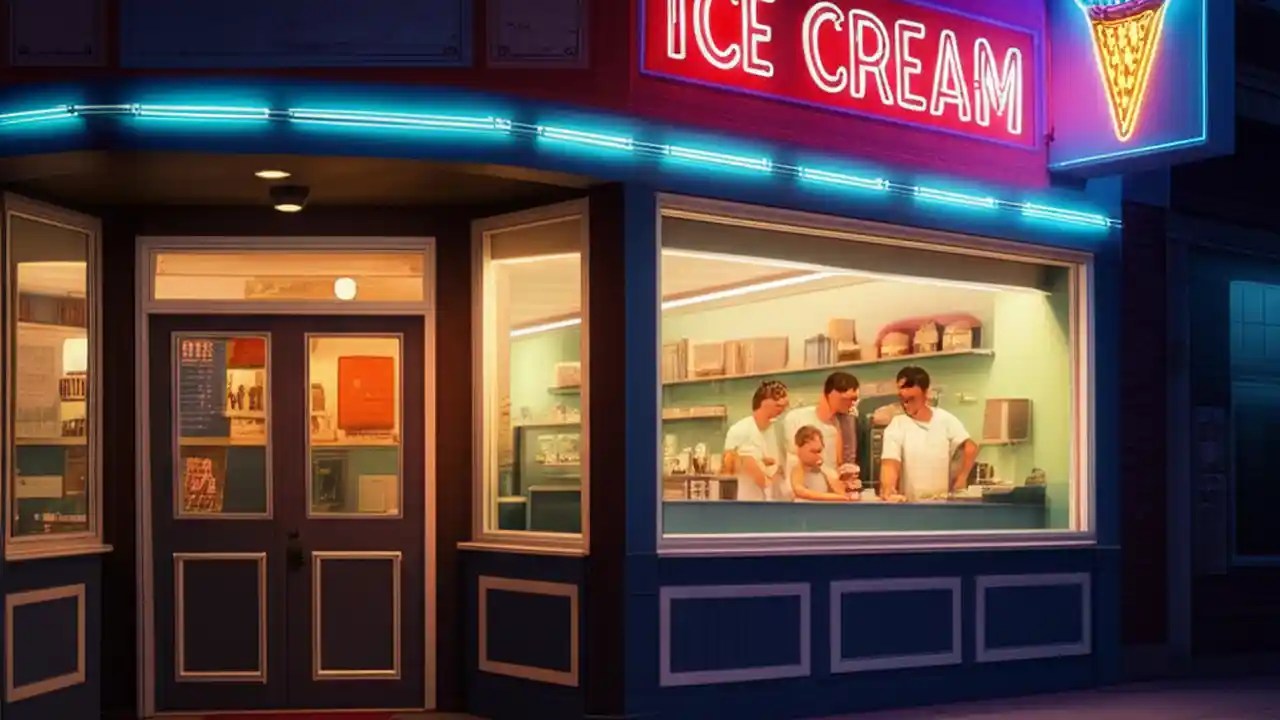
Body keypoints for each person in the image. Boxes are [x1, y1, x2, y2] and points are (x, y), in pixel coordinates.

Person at [879, 366, 978, 502]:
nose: (906, 405)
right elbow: (890, 462)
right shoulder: (897, 424)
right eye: (903, 400)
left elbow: (970, 447)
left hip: (941, 504)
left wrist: (961, 479)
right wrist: (888, 487)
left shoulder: (944, 419)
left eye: (911, 399)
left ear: (925, 392)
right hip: (911, 505)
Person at [783, 371, 861, 493]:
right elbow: (798, 458)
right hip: (801, 495)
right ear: (832, 394)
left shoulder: (845, 423)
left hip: (829, 497)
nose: (851, 404)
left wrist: (846, 478)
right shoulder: (796, 418)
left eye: (854, 400)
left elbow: (844, 462)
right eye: (848, 399)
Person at [723, 380, 789, 501]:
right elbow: (728, 469)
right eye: (778, 402)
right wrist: (745, 462)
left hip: (774, 499)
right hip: (746, 499)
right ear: (764, 402)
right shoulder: (739, 430)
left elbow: (780, 466)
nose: (783, 408)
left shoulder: (779, 429)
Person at [790, 426, 857, 502]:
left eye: (819, 451)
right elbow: (800, 491)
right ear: (799, 449)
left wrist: (847, 488)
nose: (818, 456)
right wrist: (836, 497)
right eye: (813, 451)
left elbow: (843, 494)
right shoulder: (795, 465)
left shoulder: (826, 472)